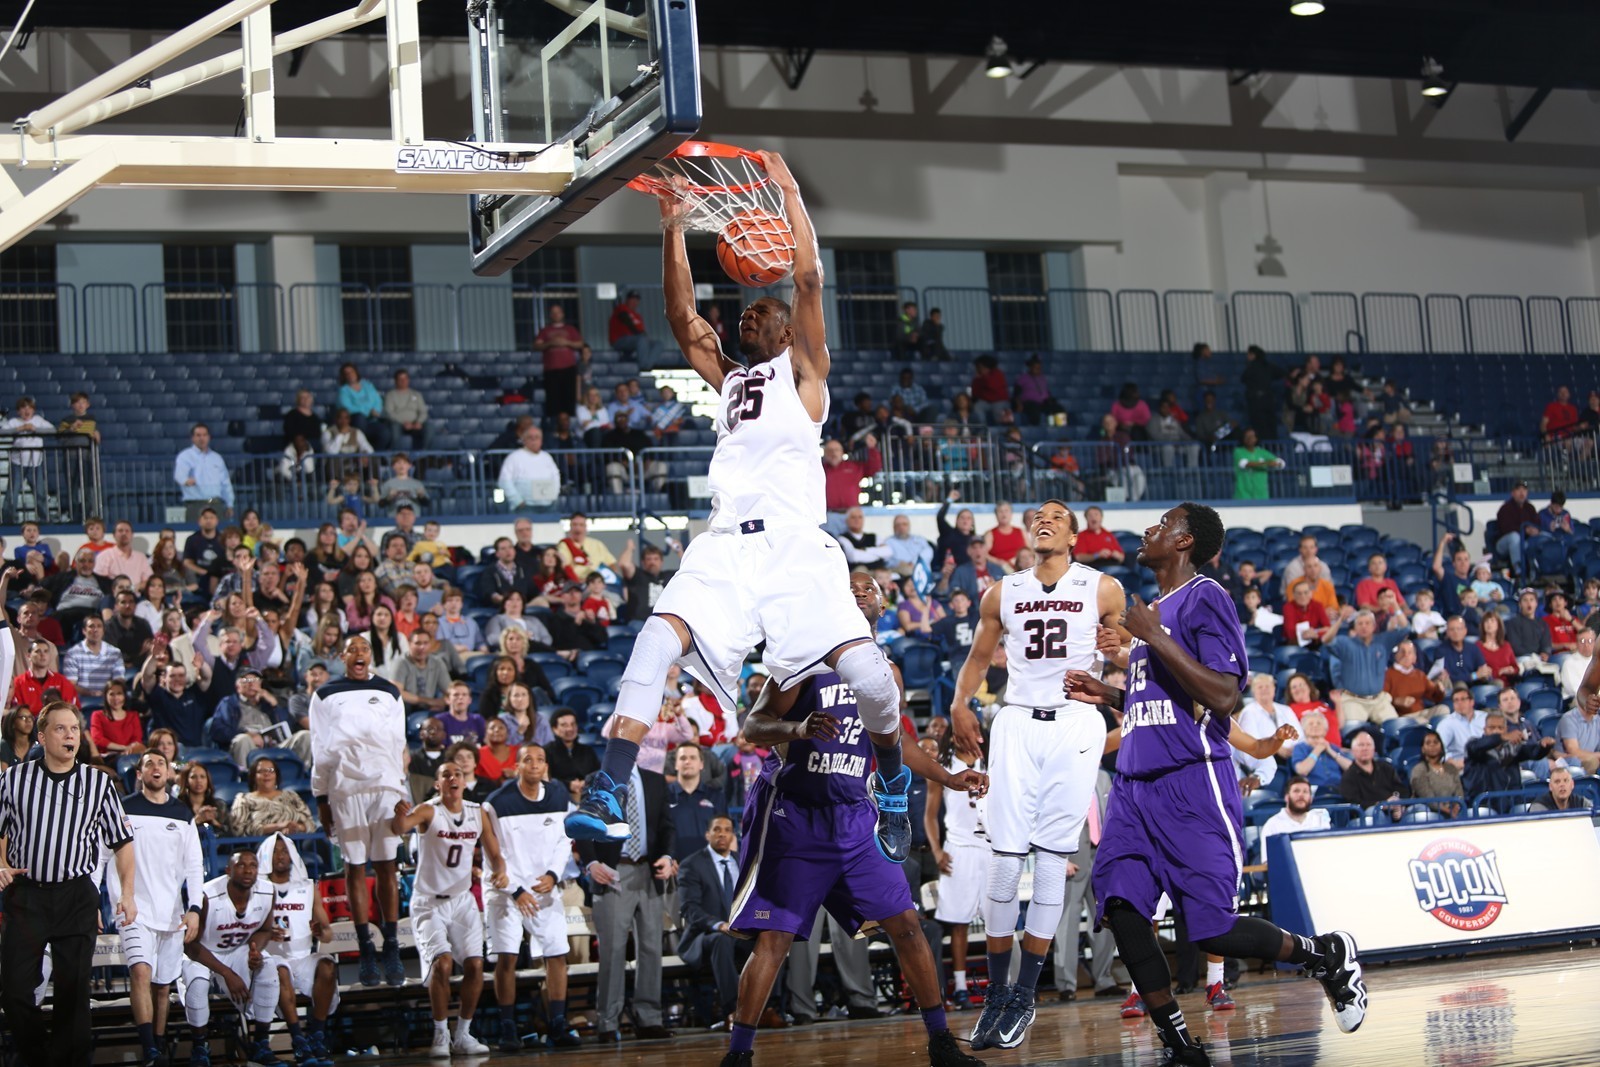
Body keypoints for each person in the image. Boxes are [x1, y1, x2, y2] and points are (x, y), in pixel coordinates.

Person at [566, 153, 912, 871]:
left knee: (871, 678)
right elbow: (682, 316)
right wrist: (672, 227)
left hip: (794, 550)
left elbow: (809, 278)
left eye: (760, 311)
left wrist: (789, 191)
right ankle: (608, 783)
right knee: (655, 640)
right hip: (724, 545)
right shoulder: (730, 380)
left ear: (787, 331)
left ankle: (894, 775)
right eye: (746, 310)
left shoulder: (807, 373)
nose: (745, 313)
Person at [1066, 503, 1367, 1065]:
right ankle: (1182, 1047)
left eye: (1163, 523)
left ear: (1184, 542)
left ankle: (1323, 954)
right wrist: (1108, 695)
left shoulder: (1206, 596)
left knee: (1211, 932)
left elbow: (1223, 696)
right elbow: (1166, 702)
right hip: (1134, 789)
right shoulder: (1152, 611)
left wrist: (1154, 639)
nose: (1151, 528)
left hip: (1192, 785)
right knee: (1121, 908)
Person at [721, 571, 986, 1067]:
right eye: (849, 587)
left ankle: (942, 1043)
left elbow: (894, 743)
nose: (859, 590)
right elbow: (752, 726)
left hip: (854, 818)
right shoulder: (800, 660)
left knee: (907, 924)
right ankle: (738, 1055)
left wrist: (948, 778)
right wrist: (797, 728)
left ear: (882, 608)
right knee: (774, 940)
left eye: (869, 588)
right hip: (794, 816)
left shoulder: (886, 671)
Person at [947, 502, 1126, 1052]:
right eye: (1037, 517)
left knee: (1051, 858)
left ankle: (1025, 993)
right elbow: (979, 657)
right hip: (1018, 719)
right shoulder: (1002, 591)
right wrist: (959, 702)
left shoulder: (1104, 588)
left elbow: (1126, 651)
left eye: (1056, 515)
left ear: (1074, 533)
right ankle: (997, 993)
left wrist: (1119, 646)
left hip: (1075, 721)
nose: (1044, 520)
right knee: (1003, 858)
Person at [308, 636, 407, 988]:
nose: (359, 654)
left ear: (370, 655)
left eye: (364, 648)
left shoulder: (390, 692)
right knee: (354, 866)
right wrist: (320, 797)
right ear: (342, 656)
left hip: (385, 786)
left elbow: (400, 743)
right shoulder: (324, 694)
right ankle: (366, 945)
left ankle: (391, 944)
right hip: (345, 787)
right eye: (352, 649)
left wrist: (402, 789)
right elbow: (319, 747)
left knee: (386, 866)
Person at [391, 762, 506, 1057]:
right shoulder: (429, 810)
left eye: (457, 774)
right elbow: (400, 827)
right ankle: (440, 1035)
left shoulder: (477, 812)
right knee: (442, 963)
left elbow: (494, 852)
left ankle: (463, 1034)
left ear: (465, 782)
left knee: (475, 965)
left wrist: (500, 871)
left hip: (462, 899)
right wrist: (399, 816)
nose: (453, 777)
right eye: (446, 775)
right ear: (437, 784)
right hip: (428, 901)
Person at [483, 744, 580, 1052]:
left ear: (546, 766)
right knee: (507, 957)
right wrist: (516, 890)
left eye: (540, 759)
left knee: (556, 955)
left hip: (543, 887)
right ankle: (508, 1028)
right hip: (507, 890)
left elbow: (566, 840)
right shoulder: (496, 803)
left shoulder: (559, 795)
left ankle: (557, 1025)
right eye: (528, 759)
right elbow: (493, 856)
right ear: (517, 767)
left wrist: (553, 874)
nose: (535, 764)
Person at [573, 751, 676, 1044]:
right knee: (613, 951)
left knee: (651, 949)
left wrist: (668, 856)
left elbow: (667, 825)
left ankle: (649, 1019)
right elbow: (582, 824)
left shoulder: (656, 780)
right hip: (613, 871)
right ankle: (608, 1021)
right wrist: (592, 864)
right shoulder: (598, 780)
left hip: (649, 869)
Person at [115, 751, 206, 1067]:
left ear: (169, 774)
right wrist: (114, 900)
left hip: (171, 913)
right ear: (139, 773)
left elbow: (195, 866)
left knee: (162, 985)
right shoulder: (124, 808)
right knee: (141, 971)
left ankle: (159, 1044)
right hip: (133, 909)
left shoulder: (182, 813)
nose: (156, 768)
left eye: (161, 764)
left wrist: (194, 908)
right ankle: (149, 1048)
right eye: (148, 764)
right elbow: (103, 857)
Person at [177, 849, 282, 1067]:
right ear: (228, 870)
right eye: (241, 865)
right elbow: (190, 944)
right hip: (202, 953)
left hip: (236, 950)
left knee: (268, 967)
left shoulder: (267, 890)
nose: (248, 870)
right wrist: (226, 973)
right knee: (197, 985)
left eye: (253, 865)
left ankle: (261, 1044)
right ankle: (199, 1047)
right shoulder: (208, 895)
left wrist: (255, 950)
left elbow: (265, 929)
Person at [255, 834, 340, 1067]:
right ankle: (298, 1039)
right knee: (280, 969)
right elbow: (247, 930)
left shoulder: (308, 887)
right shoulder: (258, 888)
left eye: (285, 850)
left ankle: (318, 1034)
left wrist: (320, 932)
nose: (281, 855)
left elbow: (329, 933)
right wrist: (265, 932)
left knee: (328, 966)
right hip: (270, 958)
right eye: (275, 851)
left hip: (302, 957)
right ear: (266, 856)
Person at [676, 815, 748, 1030]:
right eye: (717, 829)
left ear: (733, 835)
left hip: (740, 933)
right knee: (721, 940)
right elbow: (690, 909)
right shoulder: (692, 865)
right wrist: (719, 925)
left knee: (768, 940)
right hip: (705, 936)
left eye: (727, 830)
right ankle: (733, 1010)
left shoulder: (742, 861)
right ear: (708, 834)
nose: (722, 834)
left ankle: (767, 1007)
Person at [534, 304, 589, 419]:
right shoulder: (545, 330)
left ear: (562, 314)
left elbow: (580, 343)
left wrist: (566, 342)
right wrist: (550, 343)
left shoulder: (570, 329)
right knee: (553, 398)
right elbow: (536, 345)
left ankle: (569, 421)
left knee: (569, 397)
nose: (556, 315)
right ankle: (554, 422)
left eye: (558, 312)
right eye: (553, 312)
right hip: (551, 369)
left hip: (568, 367)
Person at [174, 423, 234, 522]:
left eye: (204, 435)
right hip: (195, 504)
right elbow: (179, 475)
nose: (201, 438)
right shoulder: (185, 456)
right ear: (192, 438)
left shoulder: (217, 458)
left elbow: (225, 482)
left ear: (209, 437)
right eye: (198, 435)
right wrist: (185, 481)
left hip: (216, 504)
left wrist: (229, 504)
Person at [1338, 733, 1409, 811]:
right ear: (1352, 751)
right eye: (1361, 745)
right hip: (1369, 817)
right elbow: (1354, 804)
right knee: (1372, 812)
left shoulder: (1386, 768)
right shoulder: (1348, 776)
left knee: (1419, 808)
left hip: (1394, 810)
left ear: (1374, 749)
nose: (1365, 748)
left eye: (1368, 745)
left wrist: (1399, 805)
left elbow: (1402, 790)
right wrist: (1382, 806)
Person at [498, 425, 561, 511]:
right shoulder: (514, 457)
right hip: (524, 507)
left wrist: (554, 496)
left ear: (541, 440)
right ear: (523, 440)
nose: (534, 440)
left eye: (537, 437)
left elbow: (556, 476)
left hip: (548, 505)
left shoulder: (547, 457)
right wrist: (518, 501)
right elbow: (504, 481)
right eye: (530, 437)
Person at [545, 708, 600, 802]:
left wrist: (586, 783)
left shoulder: (587, 750)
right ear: (554, 729)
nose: (570, 729)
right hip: (558, 798)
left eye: (572, 724)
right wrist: (568, 785)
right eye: (564, 725)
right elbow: (546, 779)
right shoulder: (547, 751)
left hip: (588, 797)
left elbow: (598, 775)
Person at [1258, 777, 1332, 845]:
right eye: (1296, 791)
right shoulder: (1272, 825)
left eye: (1305, 792)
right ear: (1286, 797)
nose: (1301, 795)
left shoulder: (1320, 819)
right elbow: (1267, 859)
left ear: (1311, 799)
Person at [1408, 731, 1465, 816]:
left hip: (1452, 811)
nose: (1432, 745)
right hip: (1428, 811)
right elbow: (1428, 798)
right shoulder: (1419, 770)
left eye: (1435, 742)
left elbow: (1459, 793)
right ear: (1423, 749)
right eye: (1428, 743)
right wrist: (1449, 812)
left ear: (1441, 747)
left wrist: (1456, 808)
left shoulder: (1451, 768)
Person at [1494, 481, 1541, 578]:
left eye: (1524, 490)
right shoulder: (1505, 508)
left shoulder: (1530, 508)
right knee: (1514, 537)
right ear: (1513, 493)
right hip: (1504, 544)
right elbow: (1505, 528)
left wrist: (1535, 530)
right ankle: (1518, 570)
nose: (1522, 493)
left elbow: (1538, 523)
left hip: (1524, 542)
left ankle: (1536, 570)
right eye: (1519, 490)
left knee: (1540, 538)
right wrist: (1524, 530)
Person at [607, 290, 663, 365]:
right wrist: (639, 334)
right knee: (642, 340)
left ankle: (646, 366)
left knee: (658, 344)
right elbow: (626, 320)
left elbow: (642, 332)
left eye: (636, 300)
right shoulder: (621, 308)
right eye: (632, 299)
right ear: (627, 300)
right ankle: (643, 366)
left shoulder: (638, 316)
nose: (634, 301)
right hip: (620, 340)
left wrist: (645, 338)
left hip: (636, 340)